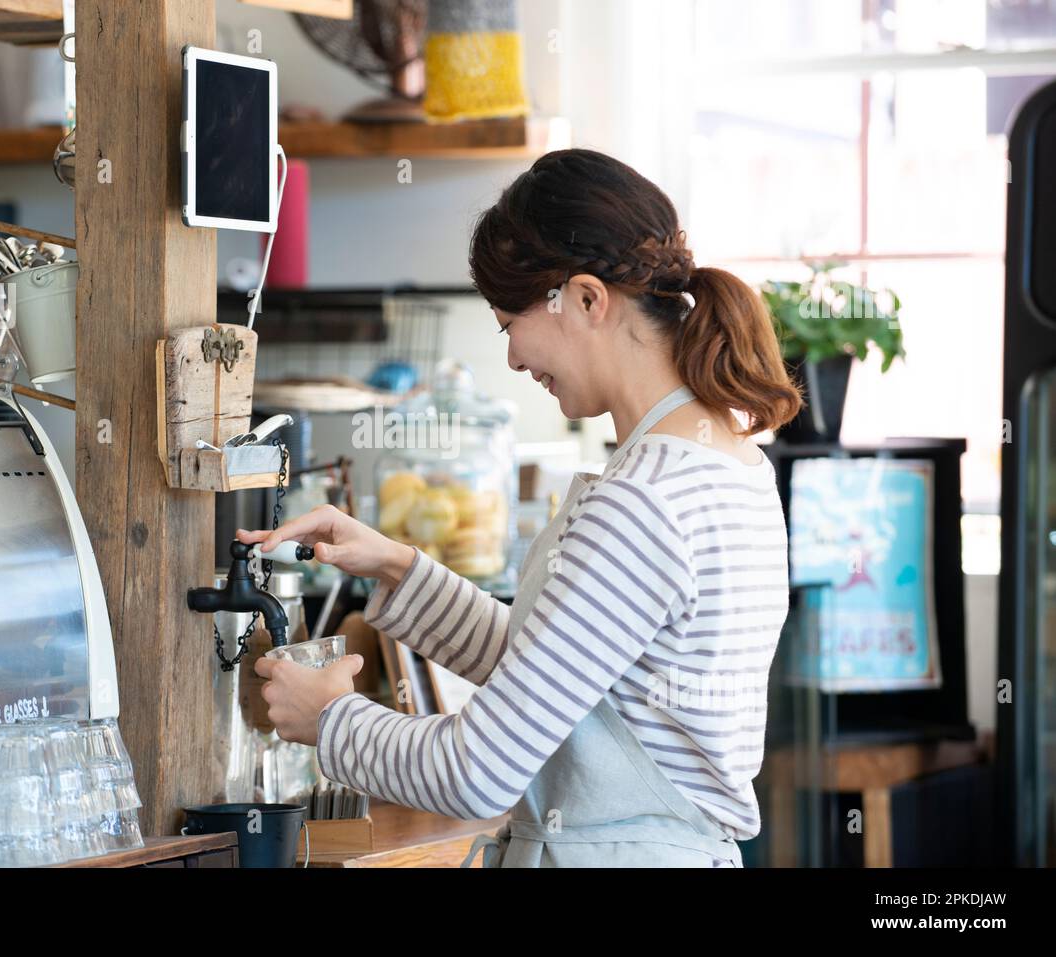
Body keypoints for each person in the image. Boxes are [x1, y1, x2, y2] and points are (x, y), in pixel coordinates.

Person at [242, 148, 803, 867]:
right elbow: (568, 675)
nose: (511, 358)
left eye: (510, 323)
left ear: (589, 299)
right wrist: (397, 569)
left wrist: (329, 719)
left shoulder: (640, 503)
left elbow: (478, 770)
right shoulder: (732, 465)